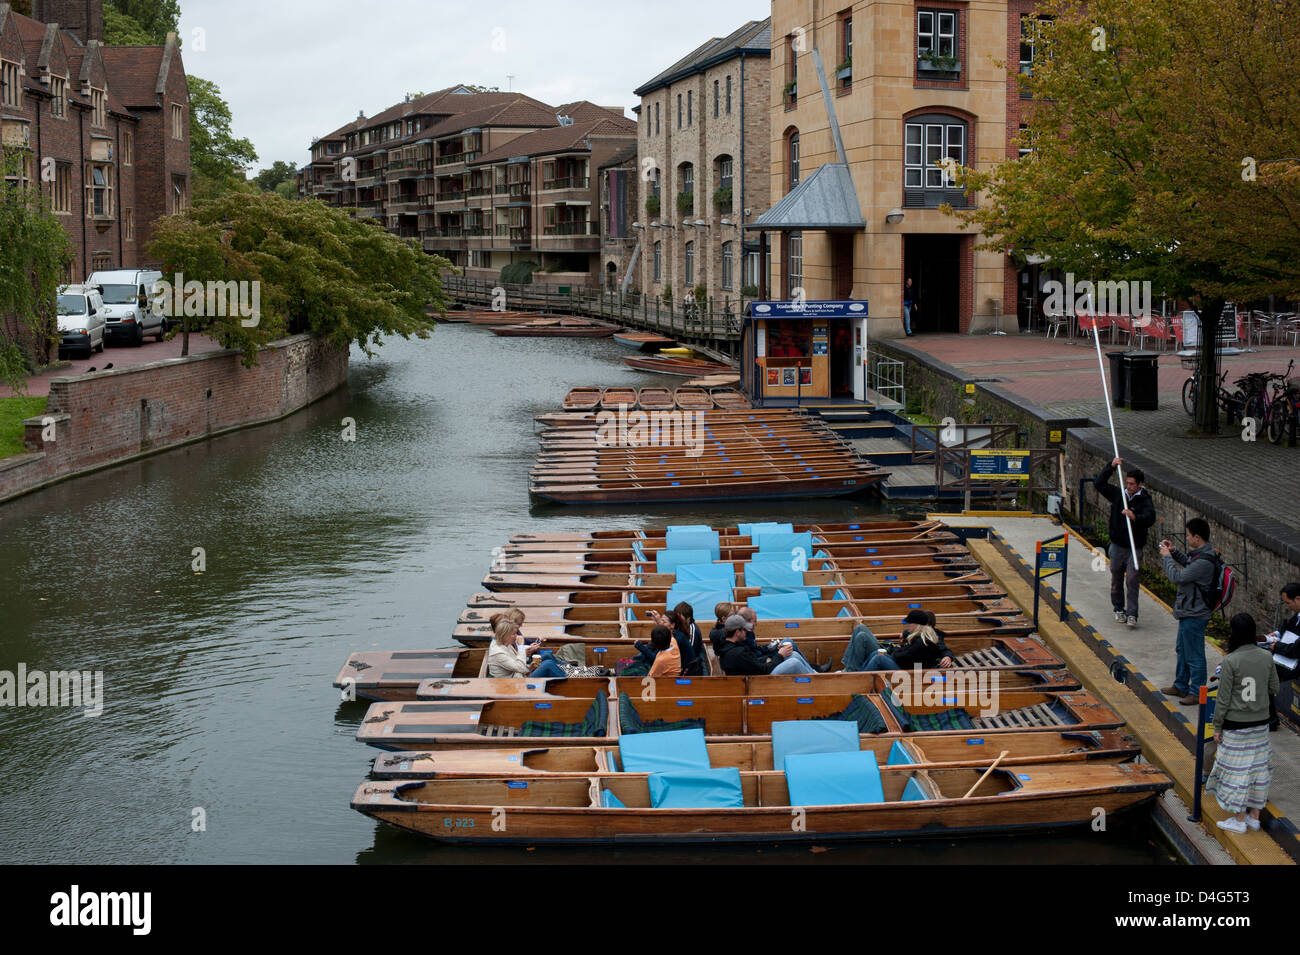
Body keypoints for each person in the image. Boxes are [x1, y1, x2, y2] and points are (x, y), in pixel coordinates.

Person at [1205, 613, 1278, 833]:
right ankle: (1254, 817)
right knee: (1257, 768)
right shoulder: (1266, 657)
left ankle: (1238, 820)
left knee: (1236, 771)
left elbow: (1223, 699)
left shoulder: (1231, 660)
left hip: (1236, 725)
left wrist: (1217, 727)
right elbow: (1275, 687)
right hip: (1261, 723)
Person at [1158, 518, 1217, 705]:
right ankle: (1181, 685)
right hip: (1189, 611)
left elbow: (1177, 577)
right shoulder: (1202, 553)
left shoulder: (1204, 561)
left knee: (1195, 655)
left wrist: (1166, 557)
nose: (1187, 538)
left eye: (1189, 535)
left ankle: (1196, 692)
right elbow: (1189, 564)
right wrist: (1175, 552)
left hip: (1195, 614)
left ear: (1197, 537)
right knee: (1182, 650)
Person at [1094, 456, 1156, 629]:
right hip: (1118, 545)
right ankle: (1118, 608)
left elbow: (1150, 518)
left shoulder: (1144, 500)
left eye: (1132, 484)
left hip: (1134, 547)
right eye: (1127, 483)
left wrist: (1135, 517)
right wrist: (1111, 466)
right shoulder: (1119, 495)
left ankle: (1132, 613)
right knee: (1116, 577)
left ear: (1140, 485)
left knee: (1132, 579)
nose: (1128, 487)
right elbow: (1099, 484)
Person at [717, 614, 817, 675]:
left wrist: (766, 659)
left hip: (760, 672)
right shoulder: (737, 653)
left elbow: (752, 663)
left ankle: (816, 675)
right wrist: (780, 655)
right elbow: (763, 670)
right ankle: (818, 682)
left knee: (793, 654)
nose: (746, 632)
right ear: (737, 632)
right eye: (744, 630)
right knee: (794, 662)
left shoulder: (734, 646)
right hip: (760, 681)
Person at [1263, 582, 1300, 731]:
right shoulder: (1297, 614)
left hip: (1295, 660)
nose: (1288, 606)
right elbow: (1289, 625)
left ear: (1298, 599)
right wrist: (1277, 635)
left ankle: (1271, 720)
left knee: (1268, 676)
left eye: (1288, 603)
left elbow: (1296, 650)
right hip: (1291, 656)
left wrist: (1277, 646)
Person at [486, 614, 566, 678]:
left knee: (547, 656)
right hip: (514, 683)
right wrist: (521, 647)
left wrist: (529, 667)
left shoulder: (505, 643)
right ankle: (572, 681)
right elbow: (520, 667)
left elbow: (517, 665)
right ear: (506, 635)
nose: (517, 635)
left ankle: (571, 669)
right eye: (514, 634)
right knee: (548, 664)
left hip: (520, 674)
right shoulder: (498, 653)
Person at [673, 601, 707, 676]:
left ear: (688, 618)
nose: (677, 620)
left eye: (679, 618)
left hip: (691, 669)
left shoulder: (693, 629)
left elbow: (690, 653)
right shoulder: (679, 627)